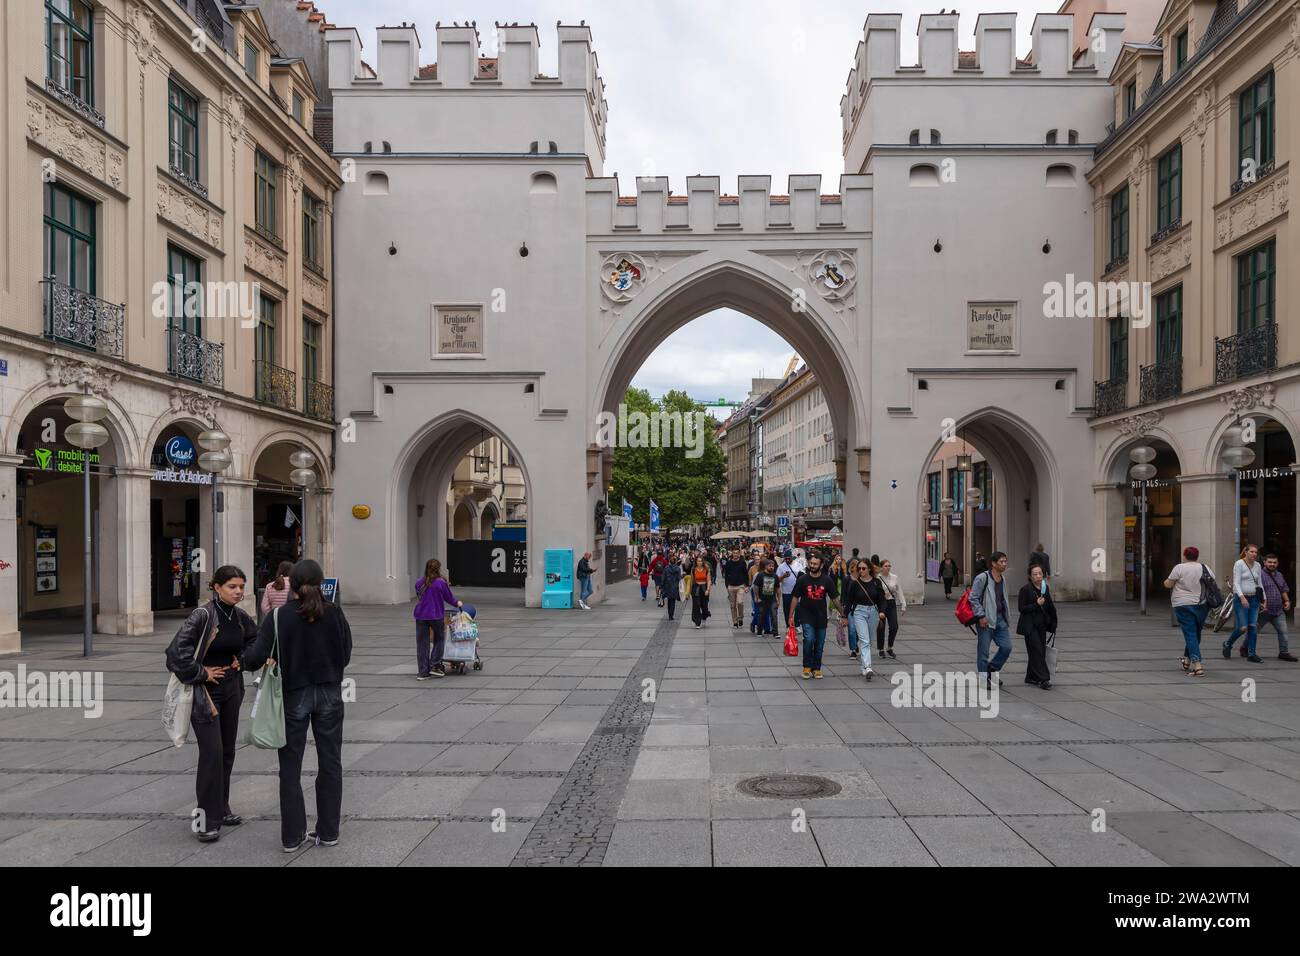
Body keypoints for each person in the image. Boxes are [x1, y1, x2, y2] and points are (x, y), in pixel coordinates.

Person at [243, 559, 352, 853]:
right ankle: (328, 832)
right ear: (320, 582)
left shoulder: (279, 617)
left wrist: (238, 658)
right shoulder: (334, 613)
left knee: (290, 767)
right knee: (331, 762)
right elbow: (346, 654)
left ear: (291, 582)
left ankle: (293, 836)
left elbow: (254, 658)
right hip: (329, 692)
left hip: (294, 694)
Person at [165, 566, 258, 843]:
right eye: (232, 586)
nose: (239, 591)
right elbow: (175, 653)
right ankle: (205, 820)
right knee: (212, 753)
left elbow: (255, 641)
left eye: (241, 586)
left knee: (227, 751)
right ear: (216, 587)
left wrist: (243, 658)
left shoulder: (240, 616)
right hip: (205, 694)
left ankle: (222, 807)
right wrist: (202, 672)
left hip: (232, 689)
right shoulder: (203, 615)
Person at [789, 551, 843, 679]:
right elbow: (795, 598)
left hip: (821, 616)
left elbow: (835, 598)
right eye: (811, 563)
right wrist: (790, 616)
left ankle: (816, 668)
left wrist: (843, 614)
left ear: (821, 564)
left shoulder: (827, 580)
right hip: (806, 614)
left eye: (815, 564)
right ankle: (807, 666)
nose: (812, 566)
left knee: (819, 644)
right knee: (808, 639)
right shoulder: (802, 579)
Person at [1164, 546, 1212, 677]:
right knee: (1195, 633)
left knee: (1190, 634)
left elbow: (1168, 584)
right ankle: (1186, 660)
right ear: (1197, 556)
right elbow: (1211, 583)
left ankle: (1198, 666)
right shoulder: (1205, 567)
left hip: (1183, 605)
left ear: (1185, 555)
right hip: (1202, 604)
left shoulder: (1179, 568)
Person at [413, 558, 462, 680]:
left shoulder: (419, 582)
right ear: (438, 568)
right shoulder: (441, 582)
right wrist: (457, 603)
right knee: (439, 639)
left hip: (420, 615)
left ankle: (423, 673)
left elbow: (419, 596)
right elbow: (449, 597)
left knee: (422, 644)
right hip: (435, 615)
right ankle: (435, 665)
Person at [970, 551, 1012, 689]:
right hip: (986, 619)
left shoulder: (1003, 579)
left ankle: (991, 670)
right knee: (984, 652)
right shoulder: (982, 578)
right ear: (994, 563)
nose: (1004, 564)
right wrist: (981, 615)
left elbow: (1003, 599)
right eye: (1001, 561)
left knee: (1006, 647)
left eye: (1005, 561)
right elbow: (973, 598)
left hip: (1001, 619)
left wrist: (1006, 618)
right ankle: (983, 679)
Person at [1016, 564, 1057, 689]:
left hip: (1041, 625)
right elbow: (1021, 608)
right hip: (1029, 626)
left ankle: (1030, 676)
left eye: (1040, 573)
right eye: (1035, 574)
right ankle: (1044, 679)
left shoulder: (1045, 588)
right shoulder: (1025, 589)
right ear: (1030, 576)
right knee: (1037, 650)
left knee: (1039, 651)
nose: (1038, 576)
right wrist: (1036, 604)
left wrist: (1053, 623)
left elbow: (1050, 606)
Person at [1223, 543, 1264, 663]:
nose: (1254, 554)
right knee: (1242, 627)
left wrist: (1263, 600)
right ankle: (1227, 643)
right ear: (1245, 552)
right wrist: (1242, 597)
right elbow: (1236, 583)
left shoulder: (1257, 565)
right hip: (1241, 598)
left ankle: (1252, 654)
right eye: (1252, 552)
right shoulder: (1239, 564)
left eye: (1256, 552)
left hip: (1255, 599)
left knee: (1253, 626)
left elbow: (1259, 583)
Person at [846, 558, 886, 679]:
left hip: (873, 612)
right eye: (859, 568)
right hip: (859, 612)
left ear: (869, 568)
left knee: (869, 639)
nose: (861, 570)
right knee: (865, 640)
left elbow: (882, 599)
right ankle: (868, 666)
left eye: (863, 568)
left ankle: (864, 666)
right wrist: (844, 616)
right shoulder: (855, 584)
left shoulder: (876, 582)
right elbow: (849, 601)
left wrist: (882, 611)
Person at [1258, 553, 1298, 662]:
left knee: (1283, 631)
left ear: (1277, 563)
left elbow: (1283, 589)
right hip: (1264, 611)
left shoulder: (1279, 575)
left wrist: (1287, 601)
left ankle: (1284, 652)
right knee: (1254, 631)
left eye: (1274, 562)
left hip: (1278, 610)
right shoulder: (1259, 574)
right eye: (1269, 562)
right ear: (1265, 562)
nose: (1272, 564)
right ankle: (1245, 648)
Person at [875, 558, 906, 660]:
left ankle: (889, 647)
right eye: (886, 566)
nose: (888, 567)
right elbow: (875, 593)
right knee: (881, 628)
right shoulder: (877, 578)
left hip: (891, 603)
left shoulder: (894, 577)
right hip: (881, 604)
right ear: (881, 567)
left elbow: (899, 591)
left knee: (894, 626)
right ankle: (880, 649)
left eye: (889, 566)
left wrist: (903, 604)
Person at [752, 558, 780, 636]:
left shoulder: (775, 576)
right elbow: (756, 586)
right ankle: (759, 631)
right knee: (762, 616)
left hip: (772, 599)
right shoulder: (760, 575)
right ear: (765, 566)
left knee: (774, 616)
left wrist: (778, 600)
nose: (771, 567)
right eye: (770, 566)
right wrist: (757, 597)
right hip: (763, 599)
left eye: (773, 566)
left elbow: (778, 588)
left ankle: (775, 633)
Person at [722, 547, 749, 628]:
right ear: (732, 554)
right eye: (734, 553)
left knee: (740, 602)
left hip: (740, 585)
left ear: (739, 554)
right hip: (731, 586)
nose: (735, 554)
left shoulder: (742, 563)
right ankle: (735, 621)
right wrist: (727, 585)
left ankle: (740, 618)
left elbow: (745, 574)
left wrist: (746, 585)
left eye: (737, 553)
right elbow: (726, 575)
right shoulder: (729, 563)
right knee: (732, 605)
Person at [778, 551, 799, 630]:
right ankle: (788, 625)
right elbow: (777, 580)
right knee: (786, 609)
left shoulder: (797, 564)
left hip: (797, 592)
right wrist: (783, 576)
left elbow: (802, 575)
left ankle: (797, 625)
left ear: (792, 557)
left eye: (788, 558)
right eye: (785, 558)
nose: (787, 560)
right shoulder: (781, 567)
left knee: (798, 608)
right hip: (786, 591)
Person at [690, 555, 712, 628]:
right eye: (698, 561)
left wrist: (708, 589)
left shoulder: (706, 569)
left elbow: (709, 580)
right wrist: (689, 591)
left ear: (703, 562)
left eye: (701, 561)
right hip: (696, 588)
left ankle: (705, 614)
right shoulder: (693, 570)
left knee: (704, 605)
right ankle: (697, 621)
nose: (700, 562)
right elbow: (692, 581)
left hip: (704, 588)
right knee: (696, 605)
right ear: (696, 562)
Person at [662, 557, 683, 621]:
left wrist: (662, 585)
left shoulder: (666, 568)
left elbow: (663, 577)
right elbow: (679, 578)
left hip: (668, 586)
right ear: (675, 561)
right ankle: (671, 615)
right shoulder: (678, 569)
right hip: (675, 586)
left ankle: (669, 614)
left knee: (669, 600)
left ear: (669, 561)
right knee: (673, 601)